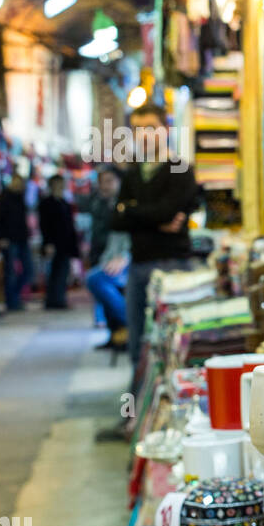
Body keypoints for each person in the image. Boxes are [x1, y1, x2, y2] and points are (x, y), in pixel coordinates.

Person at [112, 102, 198, 381]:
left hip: (173, 267)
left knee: (171, 345)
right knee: (138, 344)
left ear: (166, 130)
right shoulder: (133, 173)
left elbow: (163, 211)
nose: (144, 135)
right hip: (138, 266)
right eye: (137, 129)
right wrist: (156, 220)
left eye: (151, 128)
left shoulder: (178, 169)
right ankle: (135, 414)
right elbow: (116, 218)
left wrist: (134, 212)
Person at [85, 228, 130, 350]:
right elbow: (111, 248)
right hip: (116, 261)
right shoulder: (117, 217)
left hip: (135, 261)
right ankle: (119, 331)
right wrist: (106, 262)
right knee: (96, 280)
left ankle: (129, 324)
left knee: (96, 280)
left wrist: (125, 257)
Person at [38, 174, 78, 309]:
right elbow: (44, 224)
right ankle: (52, 300)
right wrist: (48, 242)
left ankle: (59, 299)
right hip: (53, 243)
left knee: (63, 272)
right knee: (53, 272)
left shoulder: (64, 202)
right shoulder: (46, 203)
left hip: (65, 243)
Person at [0, 173, 33, 311]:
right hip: (9, 240)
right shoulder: (4, 198)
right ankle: (11, 300)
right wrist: (1, 238)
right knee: (10, 272)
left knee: (28, 270)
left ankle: (15, 296)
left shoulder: (21, 198)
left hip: (22, 239)